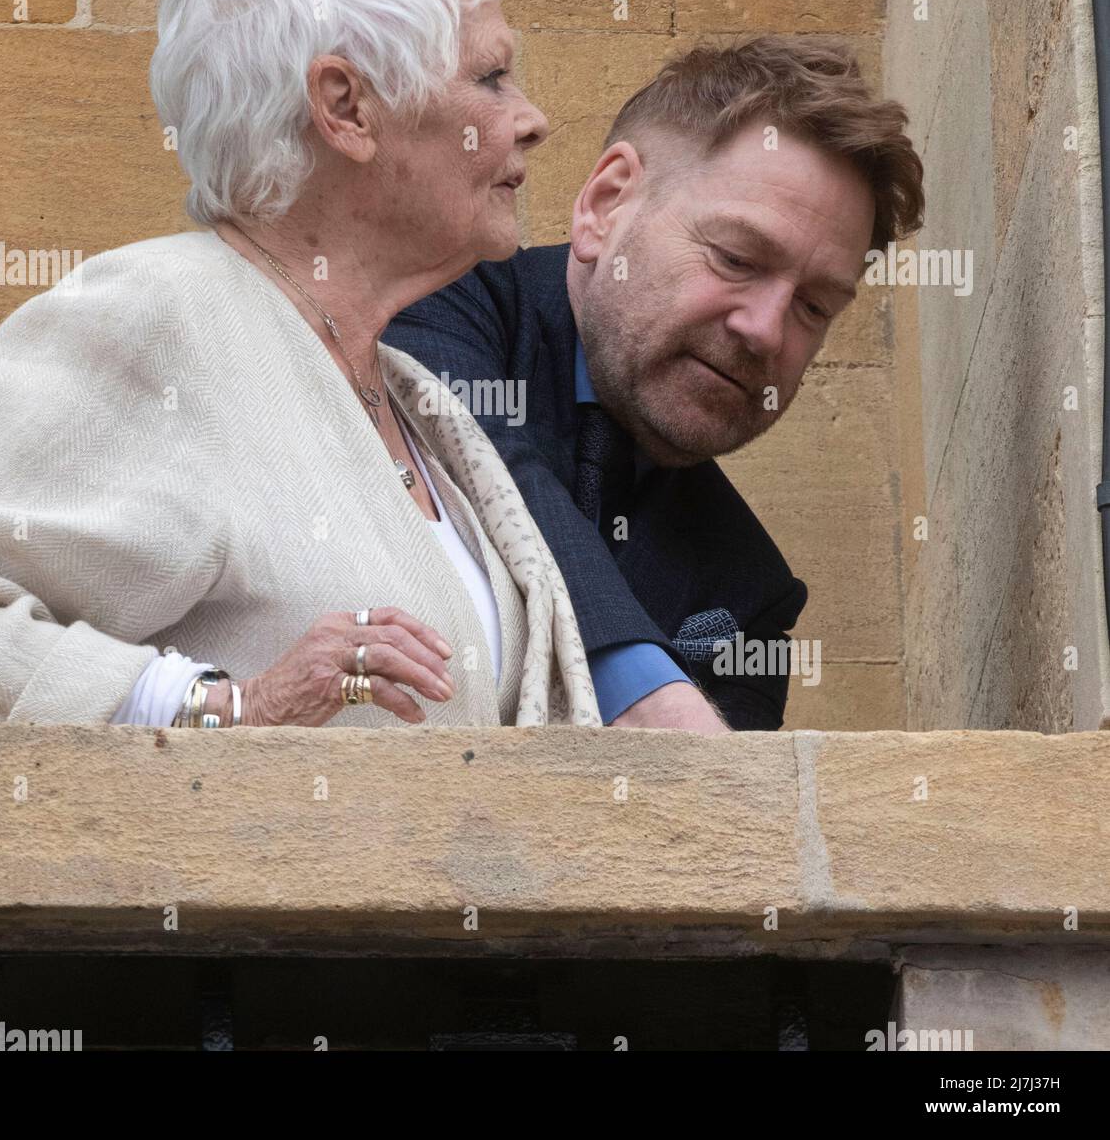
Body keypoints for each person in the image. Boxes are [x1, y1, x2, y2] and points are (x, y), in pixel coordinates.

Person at [0, 0, 601, 731]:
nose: (531, 119)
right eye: (491, 77)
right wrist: (223, 706)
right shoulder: (157, 317)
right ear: (346, 107)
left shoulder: (406, 394)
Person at [386, 36, 925, 731]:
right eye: (736, 258)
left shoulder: (749, 592)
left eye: (813, 306)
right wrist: (643, 688)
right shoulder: (439, 294)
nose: (766, 330)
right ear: (607, 205)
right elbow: (479, 459)